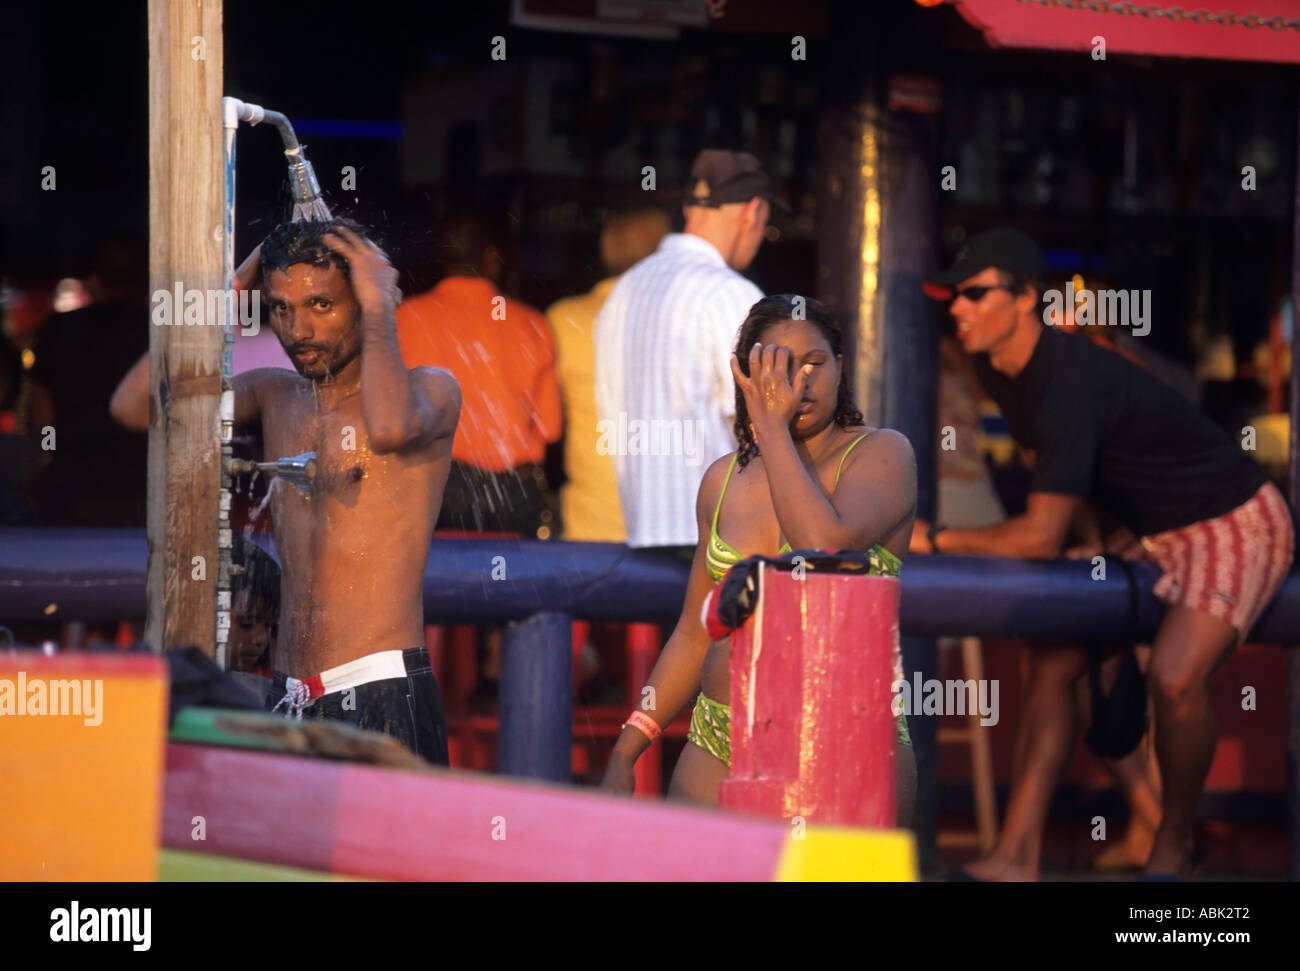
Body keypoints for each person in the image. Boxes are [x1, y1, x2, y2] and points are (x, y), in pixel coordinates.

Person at [912, 227, 1293, 879]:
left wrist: (937, 539)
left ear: (1026, 298)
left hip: (1233, 520)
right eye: (952, 295)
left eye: (974, 294)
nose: (958, 308)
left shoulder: (1067, 377)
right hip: (1150, 536)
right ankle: (1016, 855)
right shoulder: (997, 367)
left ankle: (1170, 845)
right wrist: (1088, 541)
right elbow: (1053, 473)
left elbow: (1036, 537)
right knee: (1053, 656)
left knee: (1175, 676)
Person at [110, 218, 461, 765]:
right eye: (280, 308)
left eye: (322, 305)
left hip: (382, 688)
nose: (298, 329)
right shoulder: (277, 394)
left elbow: (389, 429)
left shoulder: (432, 389)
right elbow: (135, 406)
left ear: (366, 300)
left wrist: (381, 309)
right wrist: (222, 299)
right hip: (288, 694)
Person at [601, 295, 918, 823]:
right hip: (717, 739)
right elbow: (693, 632)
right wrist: (627, 749)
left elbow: (825, 547)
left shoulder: (882, 454)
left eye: (814, 363)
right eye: (777, 367)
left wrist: (770, 427)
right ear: (744, 375)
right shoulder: (722, 481)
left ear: (842, 366)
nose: (798, 382)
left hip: (846, 739)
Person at [593, 149, 781, 556]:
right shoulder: (731, 293)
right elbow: (766, 424)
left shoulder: (621, 292)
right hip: (722, 544)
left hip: (642, 537)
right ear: (753, 212)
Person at [395, 210, 561, 537]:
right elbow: (550, 428)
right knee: (516, 587)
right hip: (514, 494)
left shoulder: (405, 318)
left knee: (437, 587)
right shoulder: (530, 323)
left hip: (433, 486)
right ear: (491, 258)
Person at [546, 208, 670, 542]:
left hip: (590, 529)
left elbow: (546, 422)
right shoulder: (695, 321)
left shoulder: (564, 320)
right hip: (677, 533)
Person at [28, 236, 150, 527]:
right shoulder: (160, 331)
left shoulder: (59, 329)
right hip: (141, 486)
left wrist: (47, 458)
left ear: (93, 281)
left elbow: (42, 413)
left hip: (71, 485)